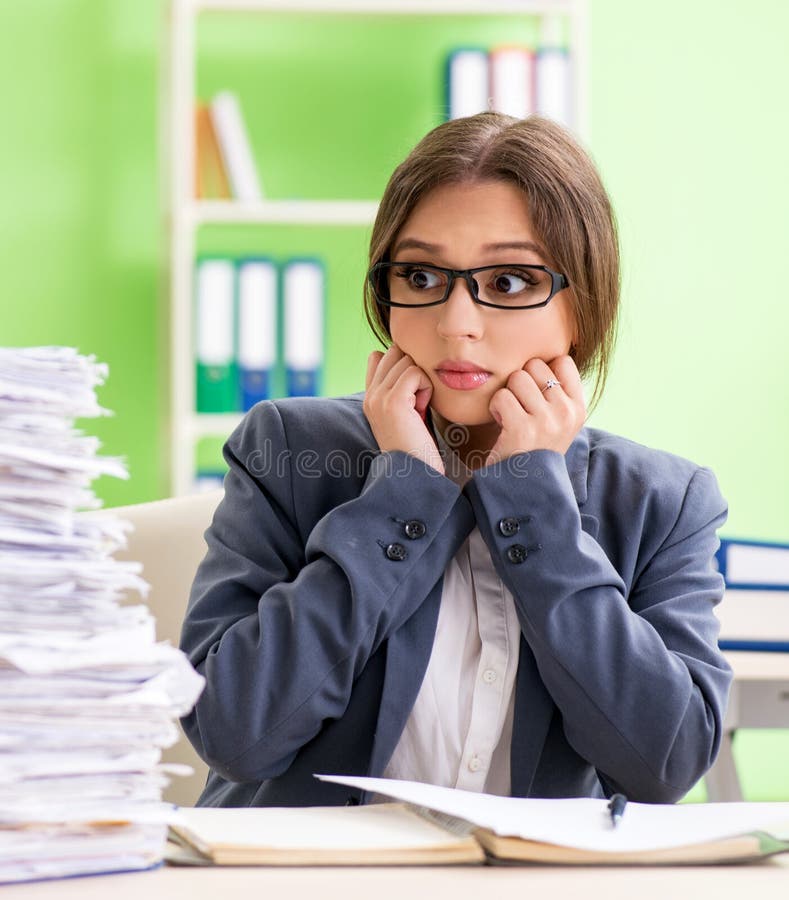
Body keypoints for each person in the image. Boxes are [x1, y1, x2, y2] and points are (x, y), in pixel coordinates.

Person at [179, 112, 732, 809]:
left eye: (506, 282)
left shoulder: (660, 500)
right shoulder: (288, 451)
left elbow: (664, 765)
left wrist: (535, 511)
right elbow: (232, 732)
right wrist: (400, 499)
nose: (455, 324)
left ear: (582, 306)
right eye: (420, 274)